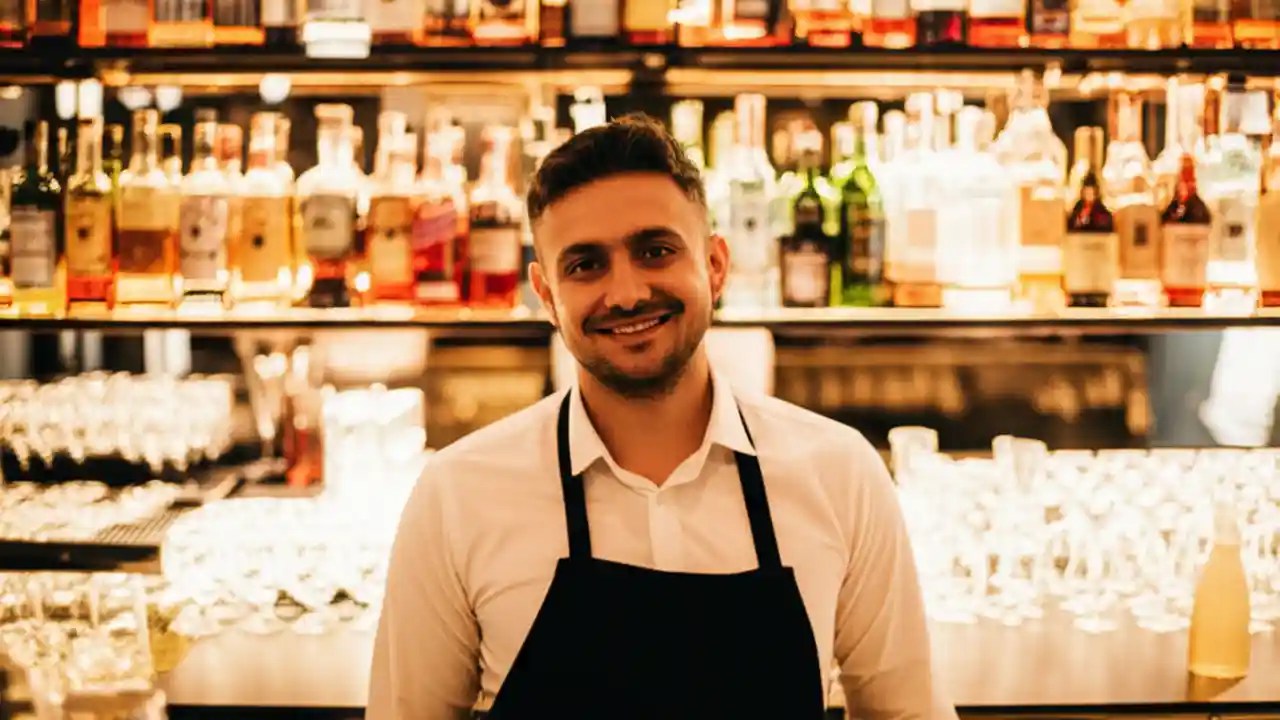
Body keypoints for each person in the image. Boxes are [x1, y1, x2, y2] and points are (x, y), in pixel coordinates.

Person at [367, 114, 955, 720]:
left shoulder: (840, 474)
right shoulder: (459, 495)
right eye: (585, 265)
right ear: (546, 296)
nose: (625, 292)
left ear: (715, 265)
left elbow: (907, 712)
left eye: (655, 251)